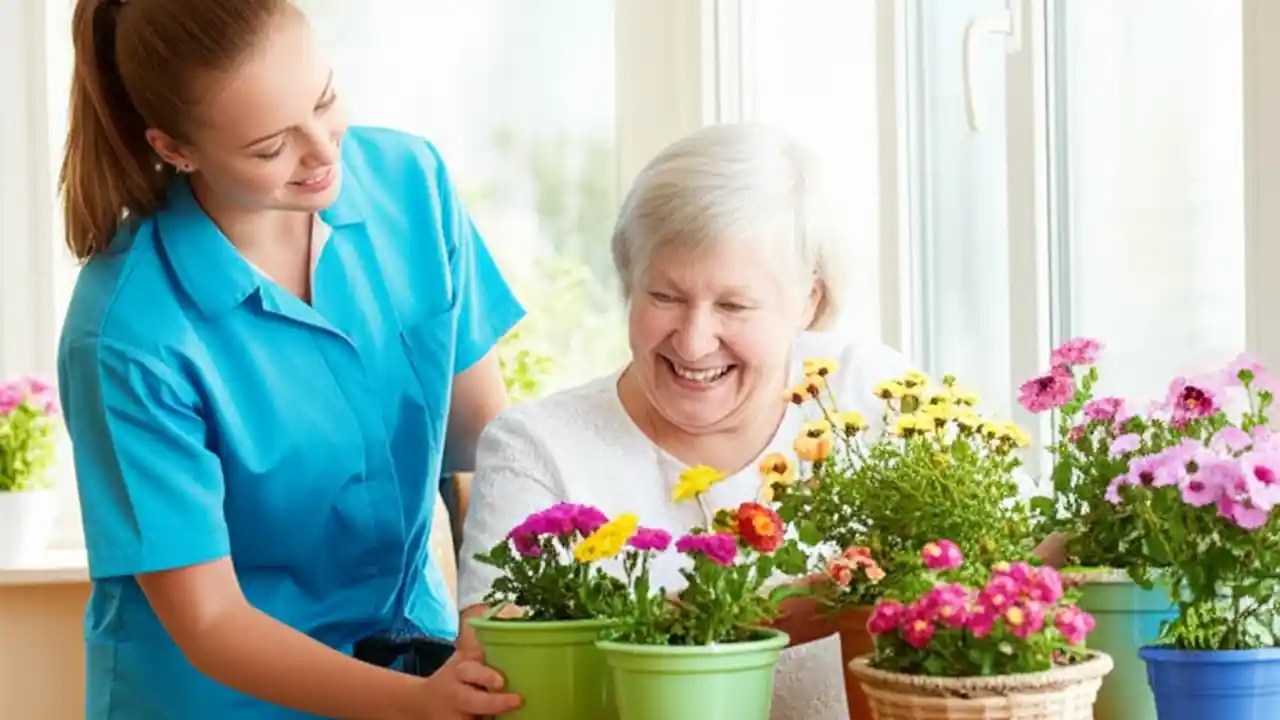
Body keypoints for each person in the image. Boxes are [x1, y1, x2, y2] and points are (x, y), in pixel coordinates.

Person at [56, 1, 524, 717]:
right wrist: (416, 702)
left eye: (326, 99)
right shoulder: (129, 332)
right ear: (176, 149)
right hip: (222, 698)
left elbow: (485, 443)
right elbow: (211, 624)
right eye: (272, 145)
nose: (324, 151)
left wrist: (496, 610)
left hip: (416, 660)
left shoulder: (410, 183)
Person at [456, 122, 915, 720]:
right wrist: (815, 600)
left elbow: (1017, 554)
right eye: (664, 297)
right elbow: (499, 665)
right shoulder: (539, 446)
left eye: (733, 305)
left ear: (808, 300)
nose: (695, 343)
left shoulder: (868, 393)